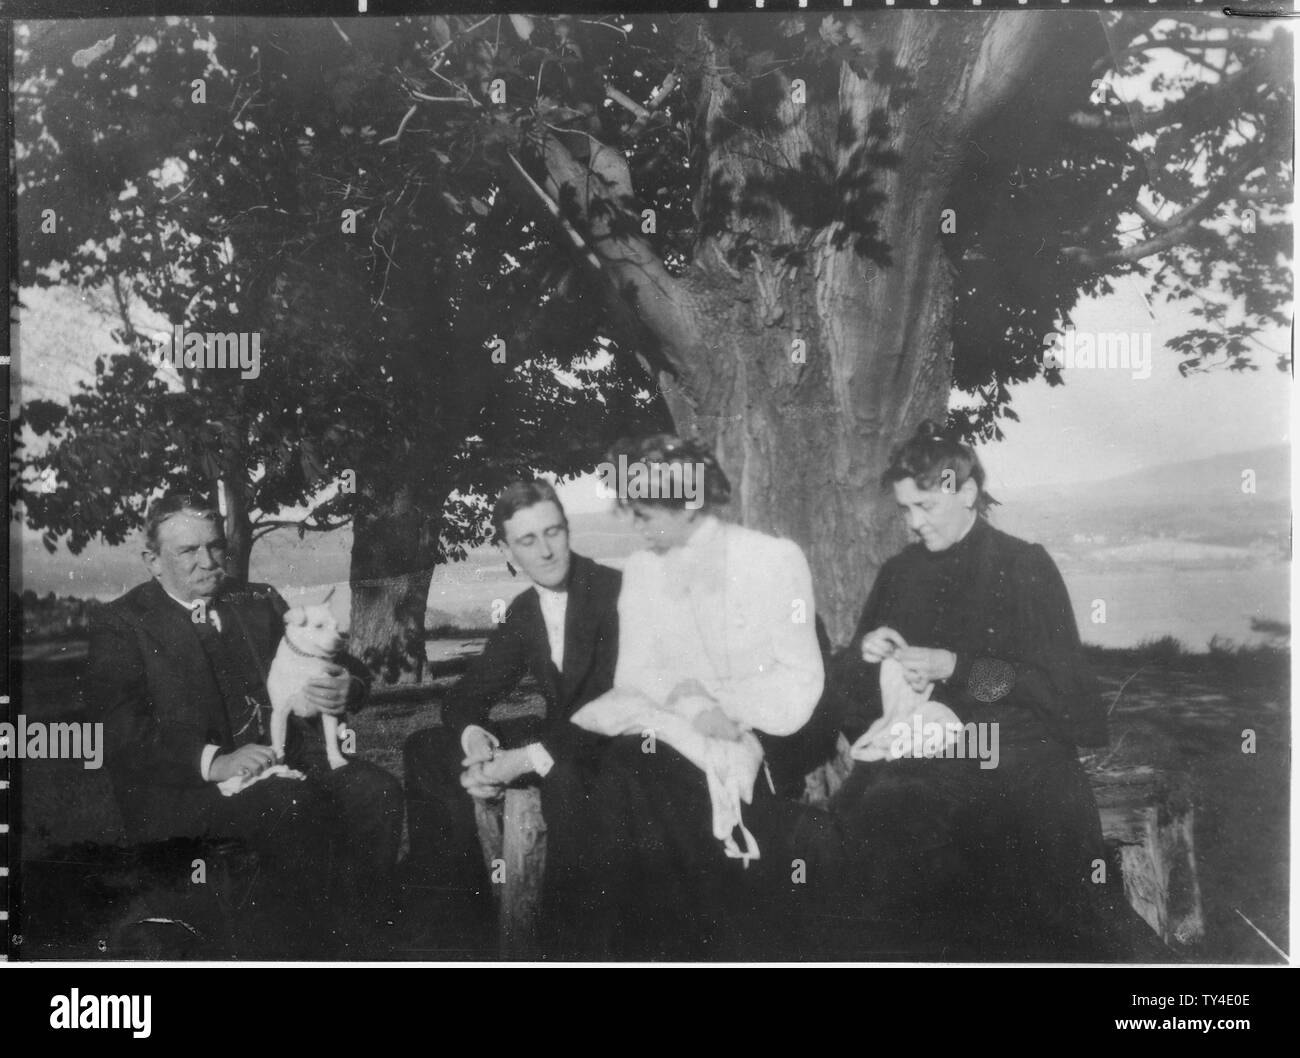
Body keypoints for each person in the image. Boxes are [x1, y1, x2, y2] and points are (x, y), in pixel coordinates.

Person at [814, 420, 1114, 960]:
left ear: (967, 492)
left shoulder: (1022, 566)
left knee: (907, 820)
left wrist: (955, 667)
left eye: (925, 507)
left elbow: (1056, 691)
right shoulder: (899, 573)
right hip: (921, 752)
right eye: (905, 510)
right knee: (852, 831)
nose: (914, 523)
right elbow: (859, 700)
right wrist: (865, 657)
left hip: (1011, 754)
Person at [86, 492, 403, 958]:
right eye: (188, 551)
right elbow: (119, 733)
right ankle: (297, 950)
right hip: (192, 793)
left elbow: (343, 663)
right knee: (291, 807)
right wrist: (215, 762)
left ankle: (357, 943)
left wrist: (348, 686)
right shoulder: (121, 624)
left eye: (215, 546)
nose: (208, 561)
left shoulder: (257, 601)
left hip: (288, 765)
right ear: (152, 561)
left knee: (376, 792)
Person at [574, 435, 824, 960]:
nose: (635, 527)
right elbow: (635, 672)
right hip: (671, 730)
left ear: (687, 503)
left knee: (636, 781)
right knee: (627, 769)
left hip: (760, 736)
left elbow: (800, 683)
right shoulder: (642, 568)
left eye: (642, 513)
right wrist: (693, 706)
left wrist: (725, 706)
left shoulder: (772, 559)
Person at [401, 480, 621, 955]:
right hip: (559, 737)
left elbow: (612, 703)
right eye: (527, 540)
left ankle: (561, 945)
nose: (545, 551)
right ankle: (456, 918)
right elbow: (466, 695)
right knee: (426, 748)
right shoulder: (525, 610)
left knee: (564, 777)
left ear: (567, 529)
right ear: (507, 550)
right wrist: (474, 738)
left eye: (553, 532)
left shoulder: (613, 592)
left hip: (613, 746)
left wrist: (519, 761)